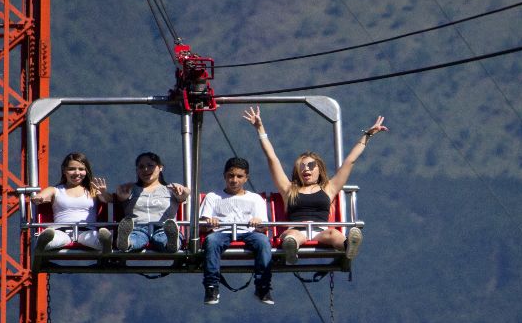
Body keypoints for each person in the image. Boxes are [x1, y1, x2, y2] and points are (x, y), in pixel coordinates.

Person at [242, 106, 387, 264]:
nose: (306, 170)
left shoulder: (329, 188)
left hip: (320, 231)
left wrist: (367, 135)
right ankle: (291, 249)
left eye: (311, 166)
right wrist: (260, 128)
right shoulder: (288, 189)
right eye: (302, 166)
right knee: (292, 236)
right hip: (296, 230)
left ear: (320, 170)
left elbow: (349, 161)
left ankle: (348, 246)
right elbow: (272, 159)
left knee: (334, 234)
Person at [198, 157, 272, 306]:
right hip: (222, 231)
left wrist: (258, 223)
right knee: (211, 241)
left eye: (239, 176)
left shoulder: (255, 199)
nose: (234, 180)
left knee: (263, 242)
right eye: (231, 176)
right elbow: (202, 226)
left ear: (246, 178)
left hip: (249, 231)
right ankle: (211, 286)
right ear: (225, 176)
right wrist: (210, 223)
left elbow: (264, 227)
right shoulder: (213, 197)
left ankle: (263, 285)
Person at [31, 152, 113, 253]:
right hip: (61, 230)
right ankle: (44, 241)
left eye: (81, 169)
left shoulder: (93, 190)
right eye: (72, 169)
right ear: (64, 171)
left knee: (95, 238)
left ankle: (105, 242)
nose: (77, 173)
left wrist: (103, 192)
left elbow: (109, 200)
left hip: (86, 231)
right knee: (56, 239)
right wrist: (38, 198)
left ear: (86, 171)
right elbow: (41, 196)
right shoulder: (55, 190)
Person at [112, 151, 189, 253]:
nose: (146, 169)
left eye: (150, 165)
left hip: (163, 227)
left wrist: (183, 190)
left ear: (160, 167)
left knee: (162, 238)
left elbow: (185, 195)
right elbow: (112, 199)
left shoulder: (170, 189)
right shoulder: (130, 189)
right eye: (141, 167)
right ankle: (126, 241)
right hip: (137, 227)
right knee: (136, 238)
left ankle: (171, 242)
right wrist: (120, 196)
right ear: (137, 170)